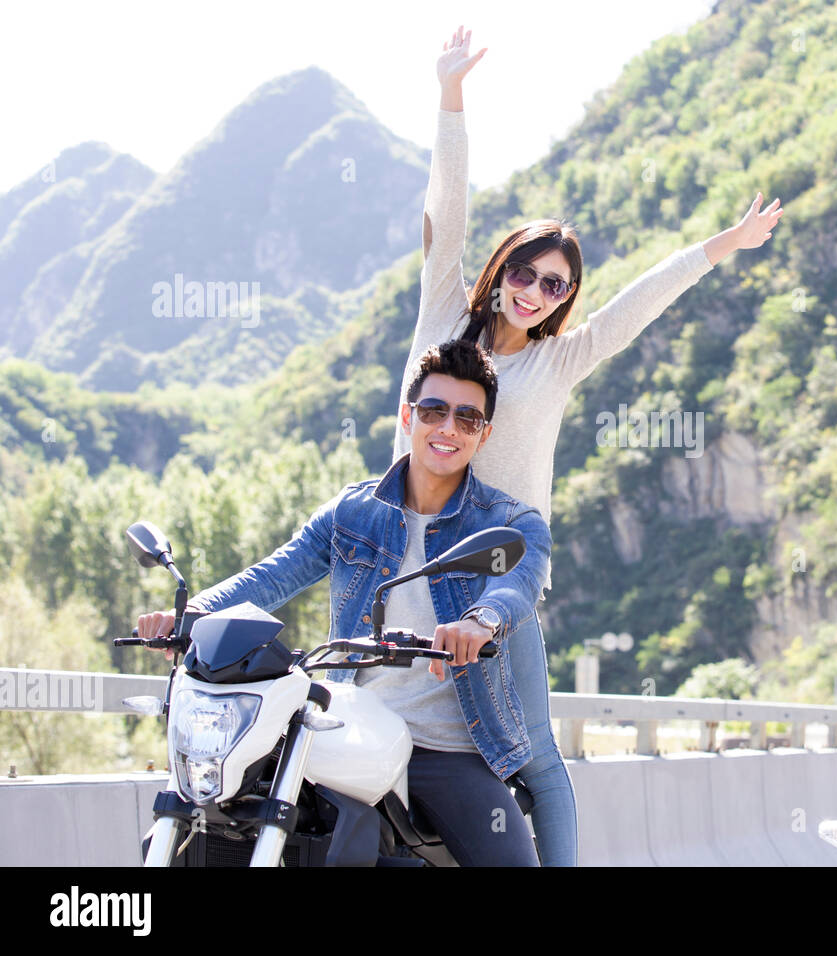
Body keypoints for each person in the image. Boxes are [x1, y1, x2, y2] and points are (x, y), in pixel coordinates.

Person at [396, 26, 784, 866]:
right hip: (402, 560)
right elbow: (449, 206)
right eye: (528, 274)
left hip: (500, 572)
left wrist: (720, 248)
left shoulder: (558, 358)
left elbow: (639, 304)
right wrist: (451, 96)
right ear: (500, 271)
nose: (538, 292)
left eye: (557, 285)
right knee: (390, 744)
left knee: (532, 756)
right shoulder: (441, 317)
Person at [137, 339, 547, 866]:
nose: (448, 428)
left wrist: (479, 621)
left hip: (448, 749)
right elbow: (273, 575)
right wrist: (190, 615)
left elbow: (518, 583)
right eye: (434, 410)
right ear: (408, 415)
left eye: (467, 419)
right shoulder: (352, 512)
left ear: (483, 435)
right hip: (344, 729)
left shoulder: (511, 523)